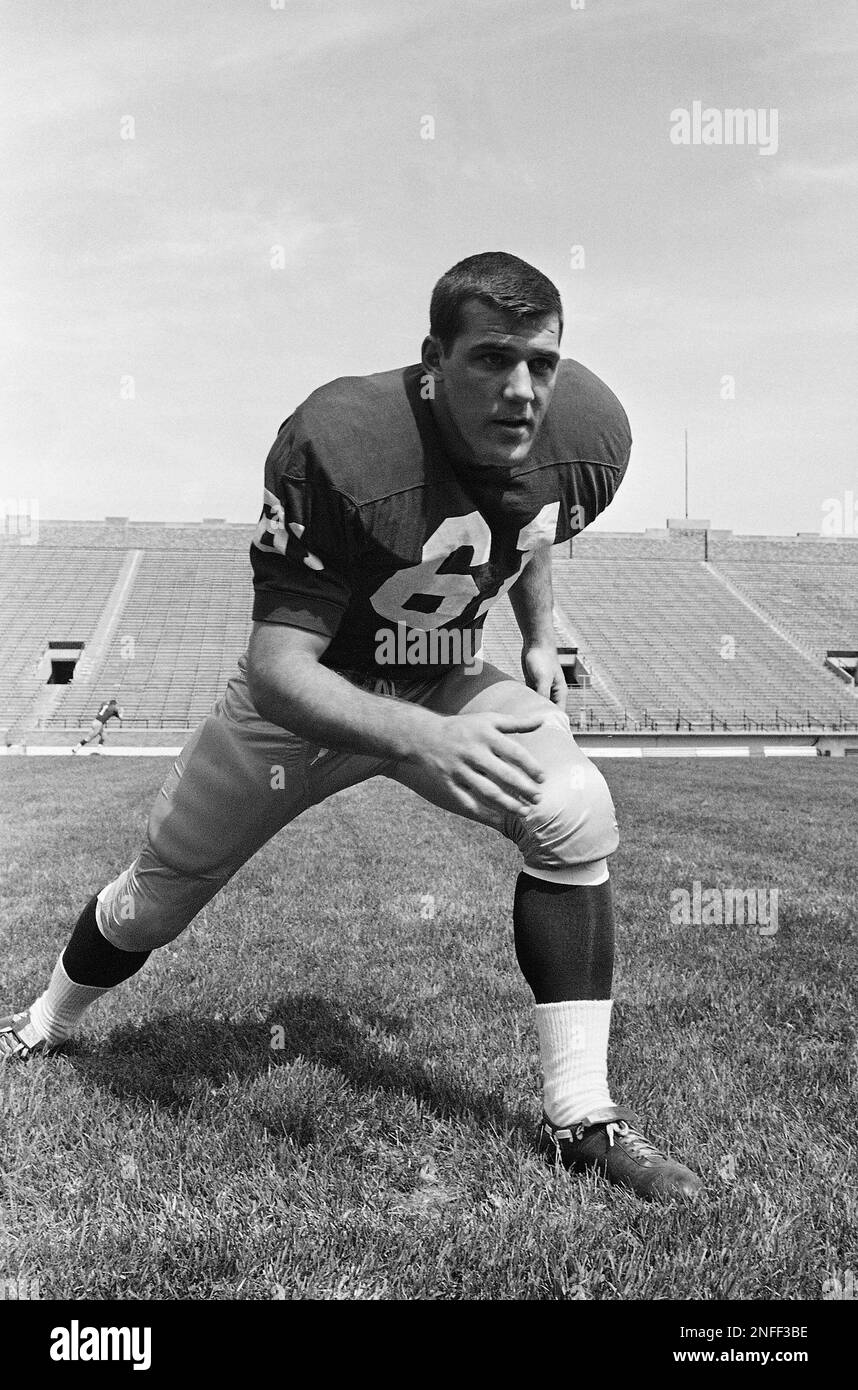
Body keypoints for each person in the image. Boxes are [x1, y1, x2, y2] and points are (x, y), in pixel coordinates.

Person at [1, 252, 700, 1200]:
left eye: (542, 361)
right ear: (432, 359)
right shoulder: (342, 442)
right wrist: (418, 739)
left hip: (440, 675)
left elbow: (531, 530)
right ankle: (47, 1018)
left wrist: (540, 640)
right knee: (155, 898)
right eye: (493, 359)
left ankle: (582, 1113)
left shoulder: (585, 433)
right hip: (309, 696)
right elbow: (278, 670)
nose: (524, 389)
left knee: (574, 806)